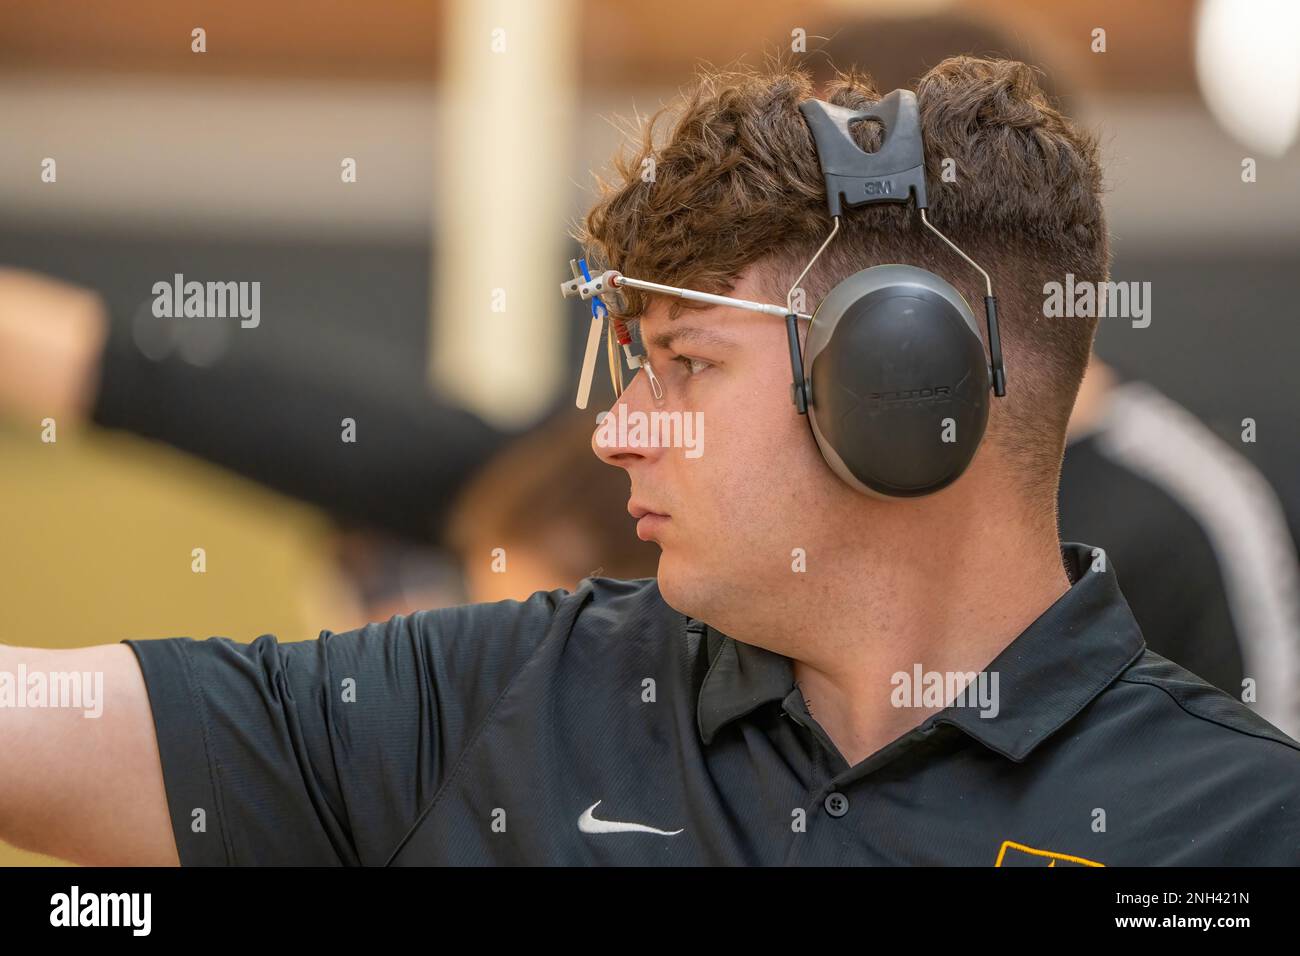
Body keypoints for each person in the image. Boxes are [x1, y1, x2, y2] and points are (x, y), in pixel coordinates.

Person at [2, 55, 1298, 866]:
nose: (619, 429)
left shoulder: (1237, 829)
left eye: (687, 366)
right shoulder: (519, 691)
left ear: (904, 386)